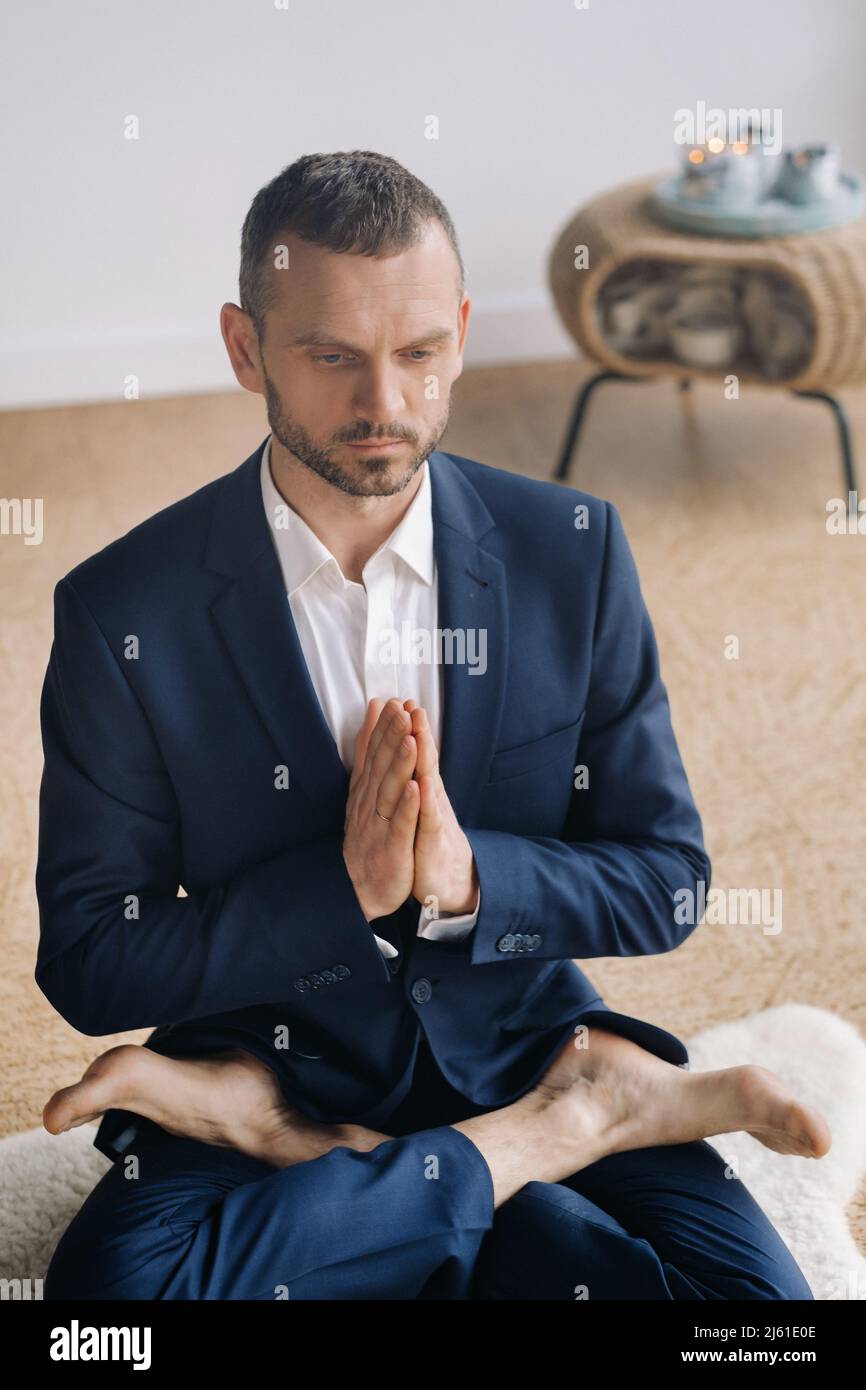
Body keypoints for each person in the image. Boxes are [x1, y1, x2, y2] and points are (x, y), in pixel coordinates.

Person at [36, 150, 828, 1301]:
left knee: (758, 1325)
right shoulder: (122, 609)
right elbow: (93, 960)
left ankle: (370, 1185)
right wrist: (338, 897)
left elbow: (664, 878)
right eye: (332, 357)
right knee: (100, 1325)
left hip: (523, 1049)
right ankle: (531, 1148)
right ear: (244, 346)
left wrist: (466, 882)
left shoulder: (573, 549)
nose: (384, 404)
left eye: (418, 354)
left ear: (460, 330)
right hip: (263, 1065)